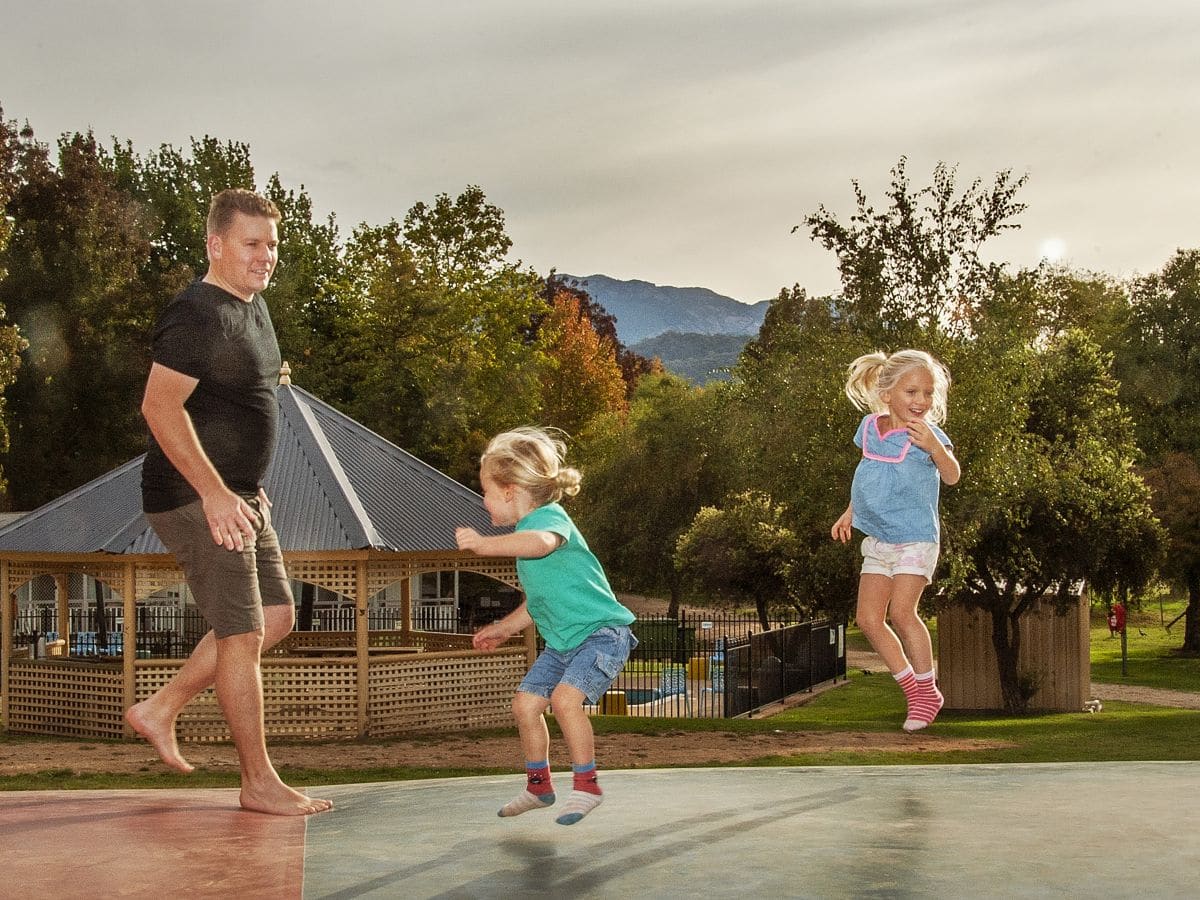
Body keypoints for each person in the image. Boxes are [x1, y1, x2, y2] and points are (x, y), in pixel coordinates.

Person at [125, 188, 331, 817]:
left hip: (239, 495)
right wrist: (215, 490)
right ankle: (257, 782)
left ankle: (160, 707)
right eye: (252, 243)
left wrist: (242, 478)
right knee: (242, 634)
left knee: (276, 617)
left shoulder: (253, 306)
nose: (266, 255)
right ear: (216, 245)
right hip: (193, 497)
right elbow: (159, 407)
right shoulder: (197, 313)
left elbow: (237, 403)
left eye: (272, 244)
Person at [456, 427, 637, 826]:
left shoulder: (548, 520)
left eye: (485, 491)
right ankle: (539, 786)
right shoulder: (524, 540)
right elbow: (538, 603)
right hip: (563, 644)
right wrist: (504, 628)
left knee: (564, 700)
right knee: (525, 704)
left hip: (602, 634)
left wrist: (483, 544)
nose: (483, 500)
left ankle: (587, 786)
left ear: (510, 491)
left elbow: (541, 543)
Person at [831, 350, 961, 732]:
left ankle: (927, 687)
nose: (922, 401)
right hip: (880, 540)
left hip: (916, 539)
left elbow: (952, 476)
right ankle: (914, 691)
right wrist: (850, 512)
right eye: (912, 392)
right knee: (868, 619)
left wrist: (935, 448)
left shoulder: (927, 435)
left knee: (902, 614)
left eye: (928, 393)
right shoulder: (869, 428)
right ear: (886, 394)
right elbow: (867, 476)